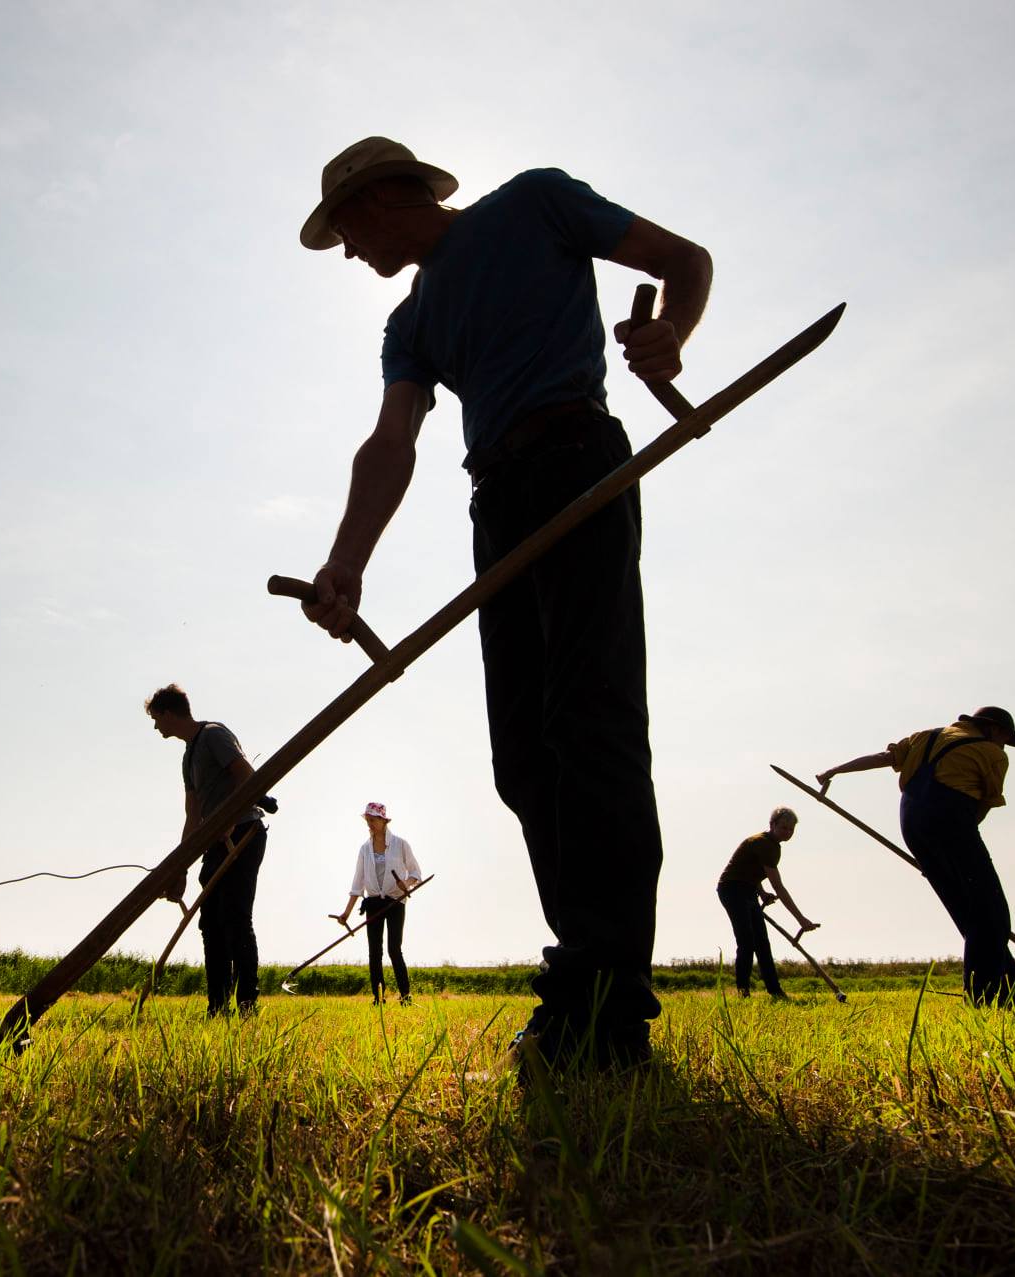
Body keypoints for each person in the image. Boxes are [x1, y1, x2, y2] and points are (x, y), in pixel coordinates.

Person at [297, 137, 712, 1070]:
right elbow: (391, 443)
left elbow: (684, 261)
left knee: (590, 724)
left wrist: (672, 333)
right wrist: (345, 561)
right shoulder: (410, 323)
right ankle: (585, 981)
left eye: (346, 235)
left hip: (579, 464)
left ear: (373, 203)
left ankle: (605, 1002)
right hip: (499, 502)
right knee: (524, 755)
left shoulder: (536, 203)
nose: (352, 256)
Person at [815, 707, 1015, 1007]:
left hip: (912, 825)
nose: (1003, 746)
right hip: (951, 823)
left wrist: (835, 771)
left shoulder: (926, 736)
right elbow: (982, 808)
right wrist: (954, 848)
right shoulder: (992, 754)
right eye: (1004, 739)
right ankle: (984, 997)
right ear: (993, 729)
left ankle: (1013, 993)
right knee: (993, 914)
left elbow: (883, 759)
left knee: (971, 915)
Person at [146, 684, 268, 1018]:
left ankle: (246, 1005)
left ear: (170, 713)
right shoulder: (188, 757)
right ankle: (217, 1005)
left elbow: (246, 775)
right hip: (215, 839)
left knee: (235, 917)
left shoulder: (213, 734)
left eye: (157, 719)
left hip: (243, 831)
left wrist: (229, 816)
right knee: (210, 923)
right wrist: (180, 869)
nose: (156, 727)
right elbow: (192, 816)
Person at [716, 806, 817, 1000]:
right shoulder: (762, 843)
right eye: (783, 828)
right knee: (746, 941)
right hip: (732, 889)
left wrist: (761, 892)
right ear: (772, 825)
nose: (787, 832)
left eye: (791, 829)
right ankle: (743, 992)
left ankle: (775, 991)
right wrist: (800, 919)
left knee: (762, 943)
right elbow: (779, 887)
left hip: (749, 890)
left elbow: (753, 870)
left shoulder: (773, 845)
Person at [333, 802, 424, 1005]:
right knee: (375, 951)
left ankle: (406, 996)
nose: (370, 824)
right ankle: (378, 997)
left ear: (383, 821)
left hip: (395, 901)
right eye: (368, 820)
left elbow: (416, 873)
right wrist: (346, 913)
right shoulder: (365, 849)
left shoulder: (401, 844)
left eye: (373, 820)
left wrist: (405, 884)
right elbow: (358, 883)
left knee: (394, 949)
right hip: (373, 903)